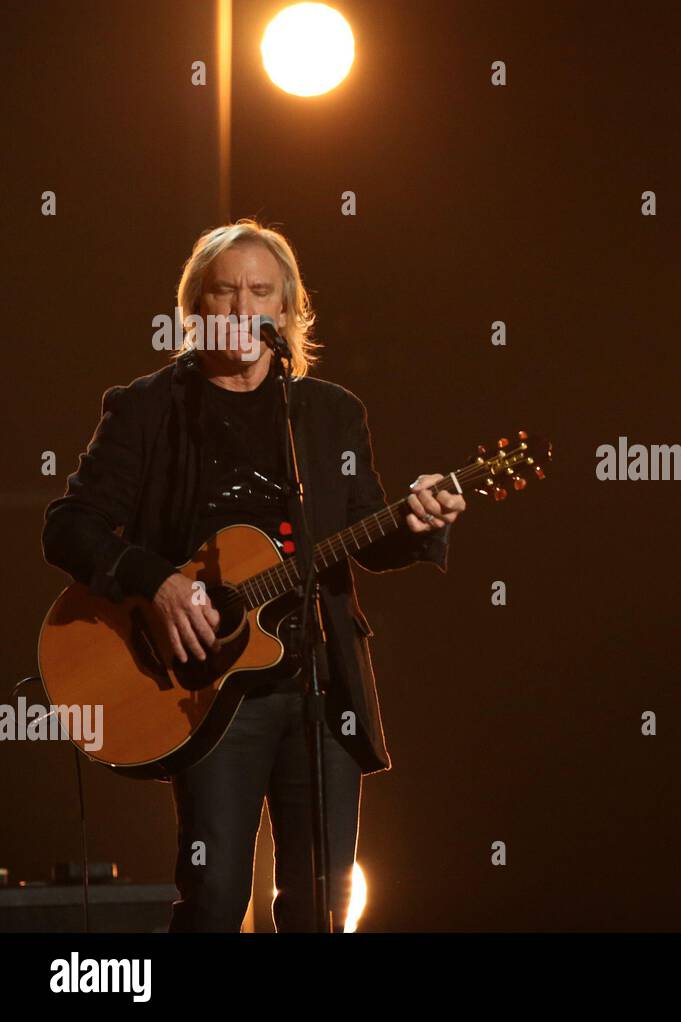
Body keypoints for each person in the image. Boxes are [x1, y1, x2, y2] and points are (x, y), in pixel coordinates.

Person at [41, 219, 466, 931]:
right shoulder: (148, 408)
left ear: (287, 311)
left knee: (320, 904)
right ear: (195, 307)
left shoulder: (329, 416)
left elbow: (362, 536)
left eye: (259, 292)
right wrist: (159, 580)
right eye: (224, 291)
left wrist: (419, 523)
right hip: (203, 690)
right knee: (214, 901)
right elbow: (69, 525)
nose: (241, 308)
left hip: (321, 686)